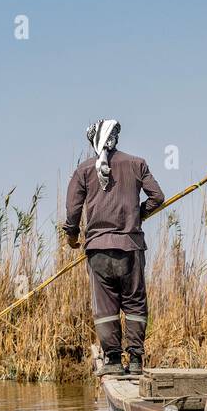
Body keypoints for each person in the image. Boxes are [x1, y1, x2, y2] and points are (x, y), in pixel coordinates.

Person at [62, 119, 166, 376]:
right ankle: (137, 361)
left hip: (98, 250)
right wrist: (138, 214)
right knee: (135, 303)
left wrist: (73, 237)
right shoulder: (137, 164)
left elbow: (73, 211)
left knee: (106, 307)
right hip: (131, 247)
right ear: (114, 138)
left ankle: (113, 361)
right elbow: (157, 197)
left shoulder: (83, 170)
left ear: (93, 142)